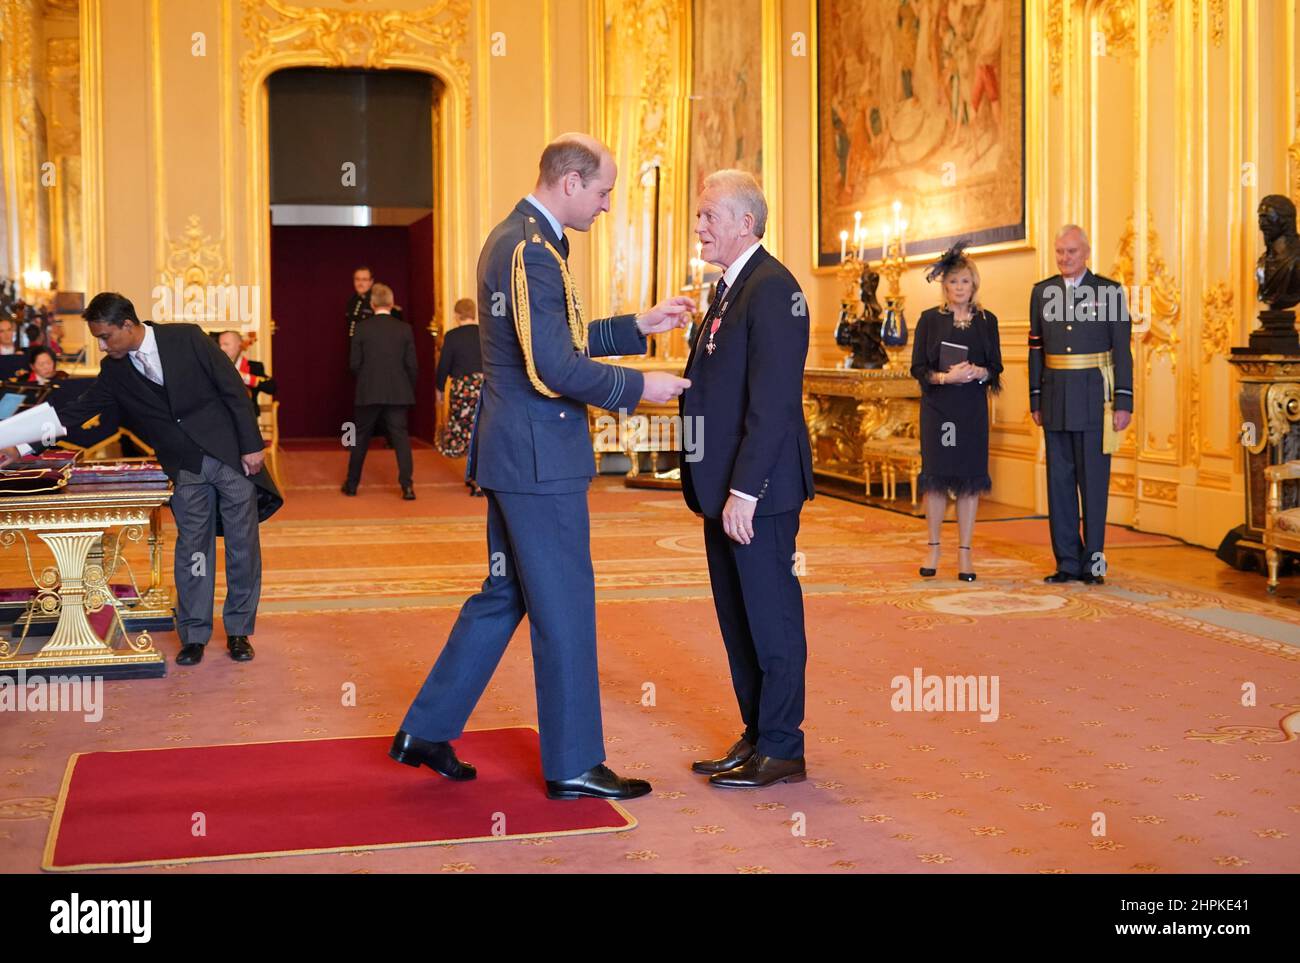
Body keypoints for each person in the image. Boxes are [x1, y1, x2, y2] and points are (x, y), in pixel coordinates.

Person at [391, 133, 693, 800]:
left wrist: (638, 324)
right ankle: (574, 763)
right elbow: (553, 366)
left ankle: (427, 727)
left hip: (514, 450)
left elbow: (559, 337)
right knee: (563, 605)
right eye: (604, 191)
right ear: (569, 183)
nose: (608, 205)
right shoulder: (531, 249)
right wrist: (636, 388)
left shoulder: (520, 237)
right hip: (538, 456)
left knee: (506, 593)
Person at [2, 293, 283, 665]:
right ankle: (194, 634)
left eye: (105, 336)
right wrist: (21, 448)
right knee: (192, 550)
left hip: (231, 457)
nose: (101, 345)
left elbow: (232, 388)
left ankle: (239, 631)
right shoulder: (115, 371)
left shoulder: (187, 338)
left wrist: (251, 445)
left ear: (128, 326)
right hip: (184, 467)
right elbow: (75, 411)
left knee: (241, 546)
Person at [680, 169, 815, 789]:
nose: (699, 225)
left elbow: (774, 403)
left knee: (771, 617)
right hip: (723, 488)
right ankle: (758, 733)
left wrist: (745, 492)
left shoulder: (774, 289)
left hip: (756, 493)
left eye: (709, 215)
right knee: (737, 619)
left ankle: (783, 745)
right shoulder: (731, 289)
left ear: (745, 223)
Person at [1029, 225, 1134, 585]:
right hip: (1055, 397)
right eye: (1059, 251)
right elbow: (1036, 350)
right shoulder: (1042, 293)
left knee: (1093, 484)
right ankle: (1067, 563)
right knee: (1059, 484)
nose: (1064, 258)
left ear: (1086, 252)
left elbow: (1122, 350)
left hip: (1094, 399)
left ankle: (1095, 565)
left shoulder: (1109, 292)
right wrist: (1035, 397)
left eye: (1071, 251)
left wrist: (1124, 401)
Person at [910, 242, 1003, 582]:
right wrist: (944, 376)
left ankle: (965, 553)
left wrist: (979, 373)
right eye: (953, 282)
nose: (959, 288)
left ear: (973, 285)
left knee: (968, 482)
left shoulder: (986, 321)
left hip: (971, 410)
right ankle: (933, 547)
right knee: (935, 480)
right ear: (944, 286)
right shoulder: (929, 320)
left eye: (965, 281)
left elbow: (996, 366)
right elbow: (918, 368)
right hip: (938, 408)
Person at [342, 283, 418, 500]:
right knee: (401, 440)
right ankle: (407, 487)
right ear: (392, 304)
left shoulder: (362, 329)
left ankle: (352, 484)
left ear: (372, 304)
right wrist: (407, 388)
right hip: (398, 392)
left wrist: (366, 380)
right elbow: (412, 365)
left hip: (368, 391)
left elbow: (354, 364)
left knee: (359, 438)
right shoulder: (404, 329)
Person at [434, 296, 483, 493]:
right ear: (473, 314)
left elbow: (444, 365)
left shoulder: (452, 336)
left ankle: (474, 477)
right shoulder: (485, 333)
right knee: (482, 432)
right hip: (485, 387)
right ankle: (480, 478)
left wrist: (439, 389)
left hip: (463, 388)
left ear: (456, 315)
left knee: (466, 433)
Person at [345, 266, 402, 337]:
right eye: (357, 279)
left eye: (364, 280)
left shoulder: (377, 300)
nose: (360, 283)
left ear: (371, 281)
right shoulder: (351, 301)